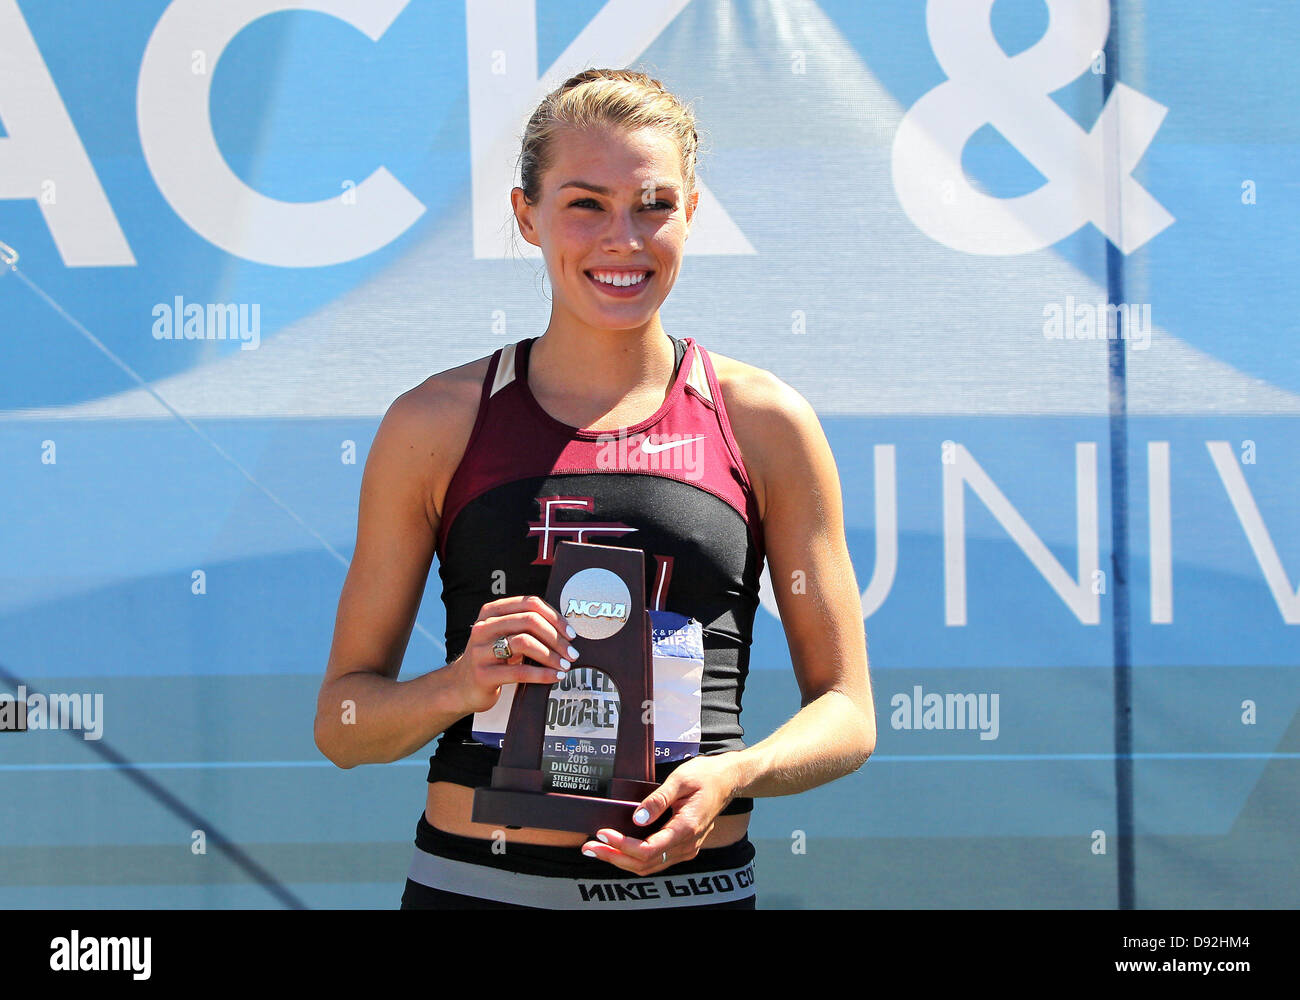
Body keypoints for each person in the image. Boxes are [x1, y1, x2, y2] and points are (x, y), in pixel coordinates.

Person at [313, 68, 875, 909]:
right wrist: (461, 687)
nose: (623, 238)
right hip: (475, 889)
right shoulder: (435, 422)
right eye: (585, 204)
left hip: (695, 892)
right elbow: (344, 728)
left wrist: (735, 773)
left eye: (652, 204)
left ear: (690, 213)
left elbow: (848, 712)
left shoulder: (765, 422)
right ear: (524, 215)